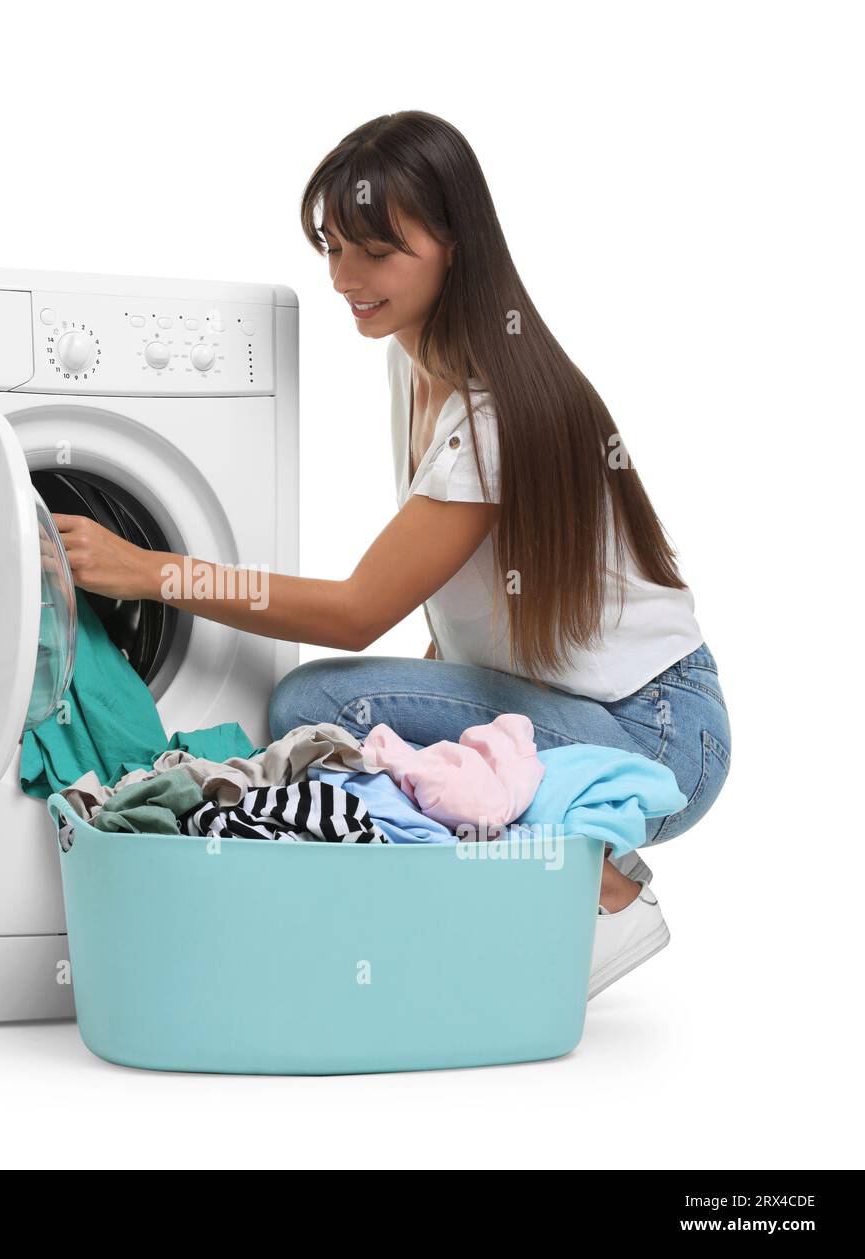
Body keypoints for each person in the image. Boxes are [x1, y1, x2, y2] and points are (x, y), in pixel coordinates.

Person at [52, 111, 731, 999]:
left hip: (658, 735)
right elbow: (459, 591)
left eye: (376, 251)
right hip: (585, 708)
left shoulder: (494, 414)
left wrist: (149, 573)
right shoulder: (417, 363)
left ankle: (608, 890)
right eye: (331, 247)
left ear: (454, 243)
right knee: (366, 729)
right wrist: (430, 700)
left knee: (319, 701)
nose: (344, 278)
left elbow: (358, 608)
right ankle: (500, 898)